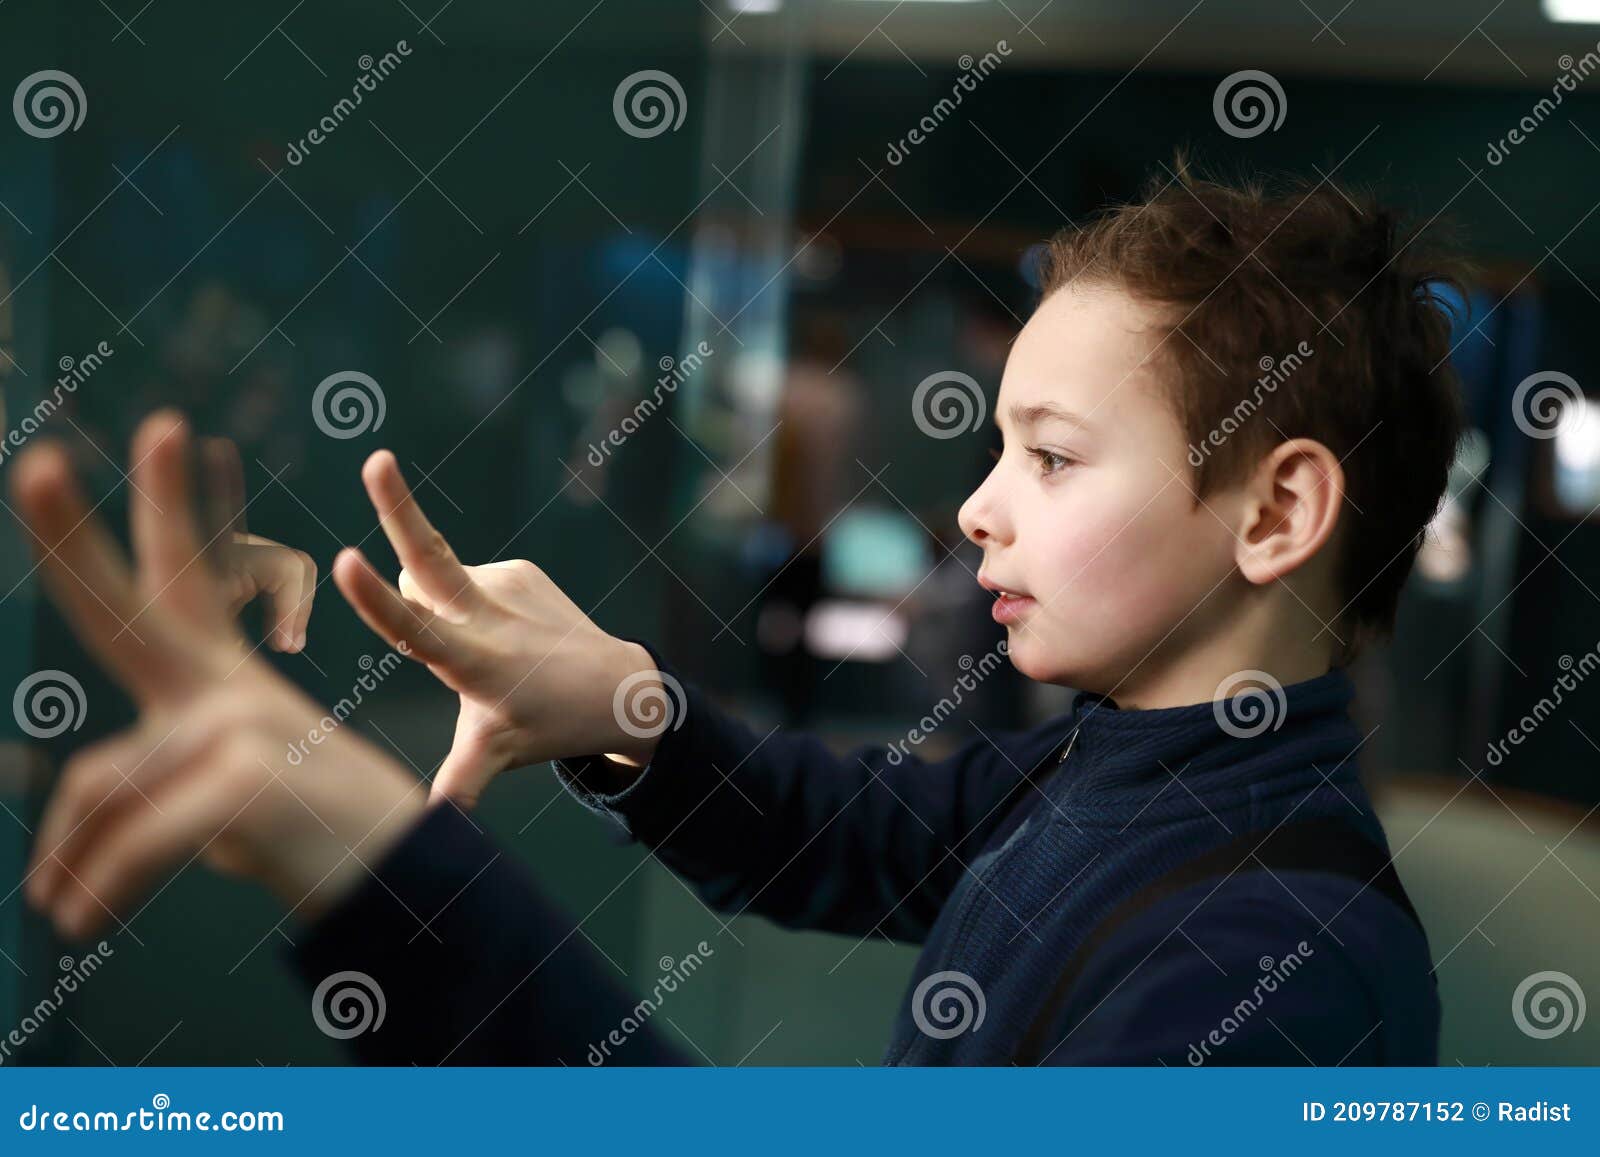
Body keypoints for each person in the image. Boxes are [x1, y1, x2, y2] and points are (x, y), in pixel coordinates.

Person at [13, 166, 1457, 1065]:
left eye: (1054, 456)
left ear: (1276, 515)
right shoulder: (1116, 763)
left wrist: (376, 867)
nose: (978, 507)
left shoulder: (1284, 963)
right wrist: (623, 703)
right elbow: (865, 832)